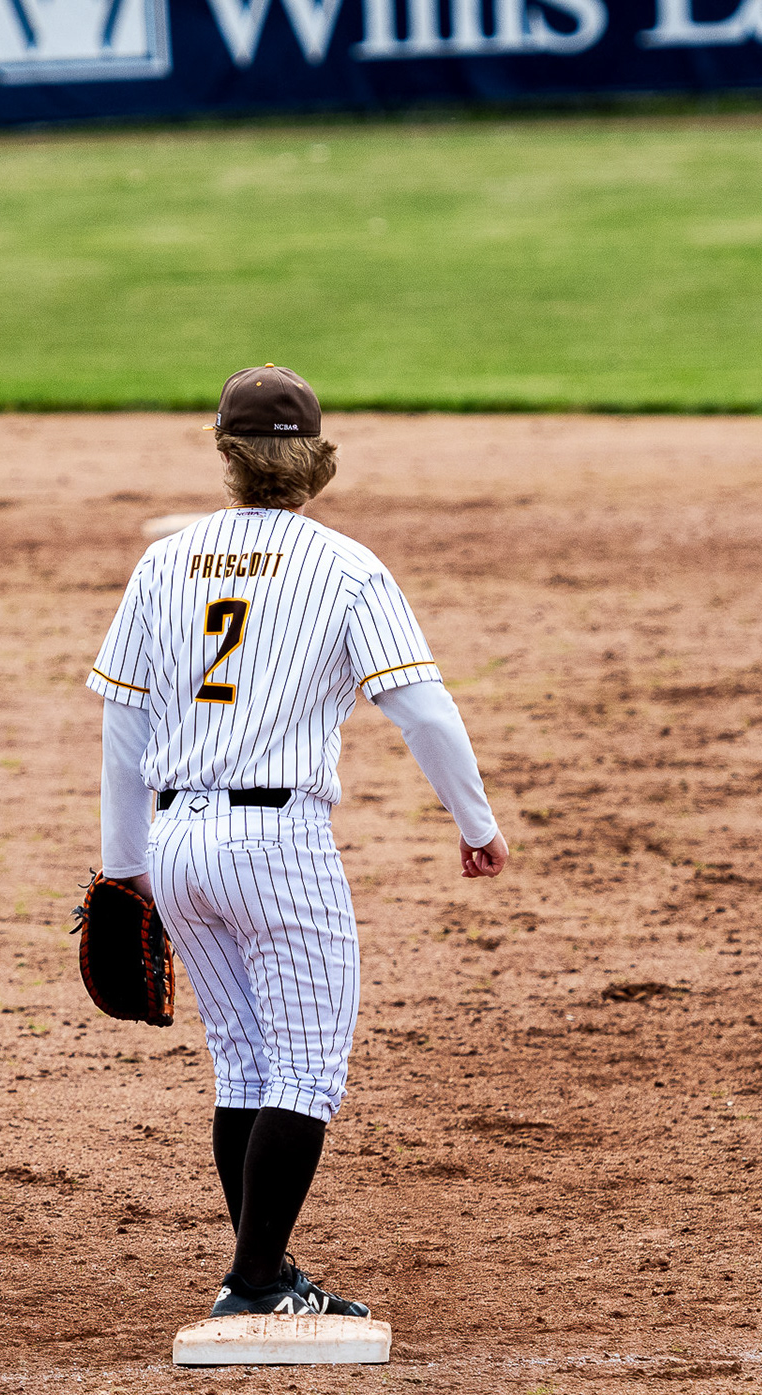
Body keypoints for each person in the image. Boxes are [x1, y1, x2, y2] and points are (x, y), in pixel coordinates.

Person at [88, 364, 507, 1318]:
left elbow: (123, 725)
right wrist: (475, 823)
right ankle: (257, 1277)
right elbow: (423, 711)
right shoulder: (348, 566)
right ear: (318, 460)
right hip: (277, 846)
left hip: (178, 840)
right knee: (307, 1070)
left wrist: (126, 870)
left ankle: (264, 1274)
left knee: (243, 1063)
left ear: (227, 459)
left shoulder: (165, 564)